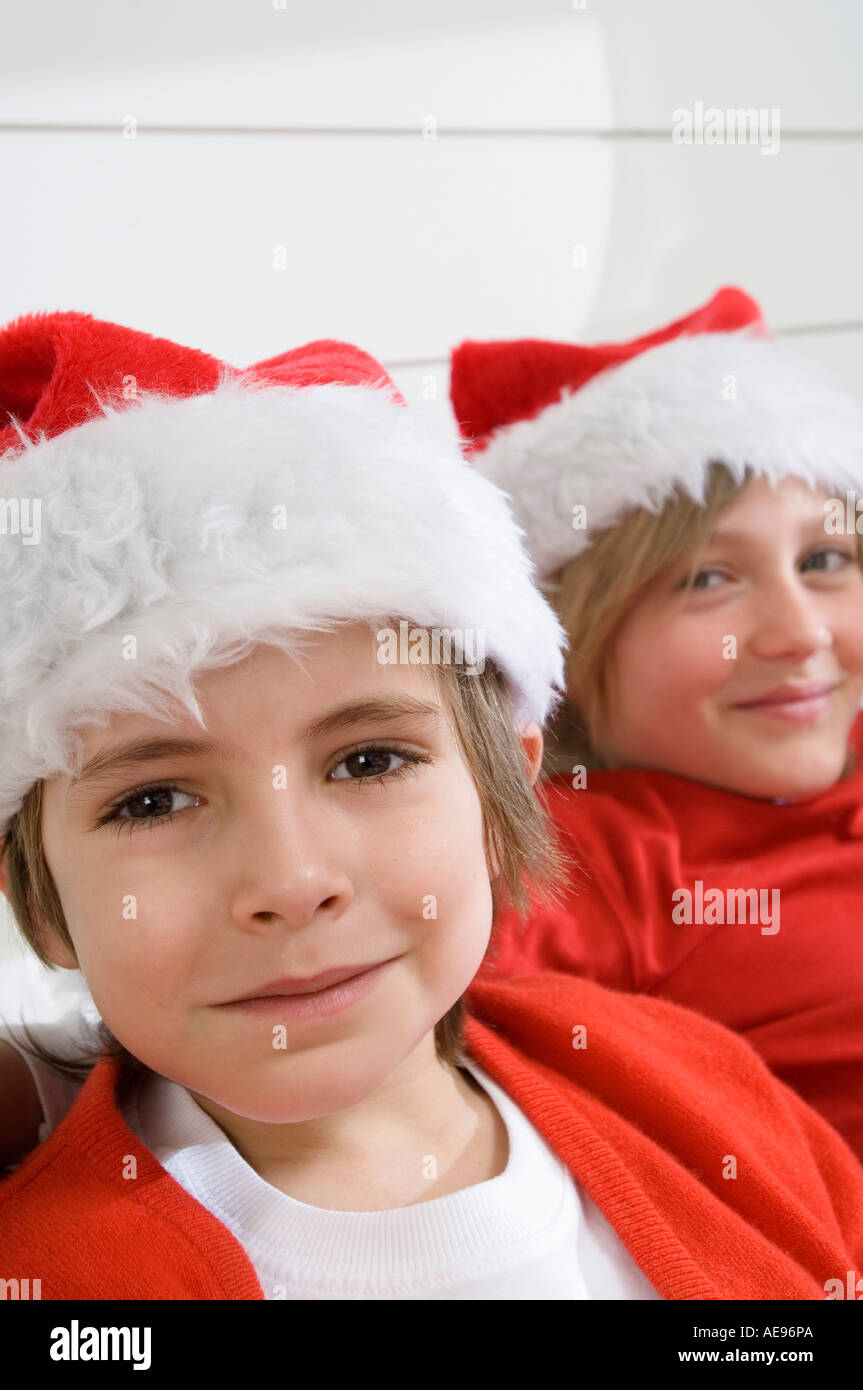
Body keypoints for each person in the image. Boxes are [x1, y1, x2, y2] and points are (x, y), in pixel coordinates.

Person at [0, 308, 861, 1301]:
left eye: (367, 761)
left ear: (500, 801)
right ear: (40, 897)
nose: (291, 882)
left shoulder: (705, 1089)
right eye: (153, 799)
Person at [450, 286, 863, 1164]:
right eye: (708, 580)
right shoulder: (595, 856)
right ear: (577, 639)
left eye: (823, 559)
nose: (801, 633)